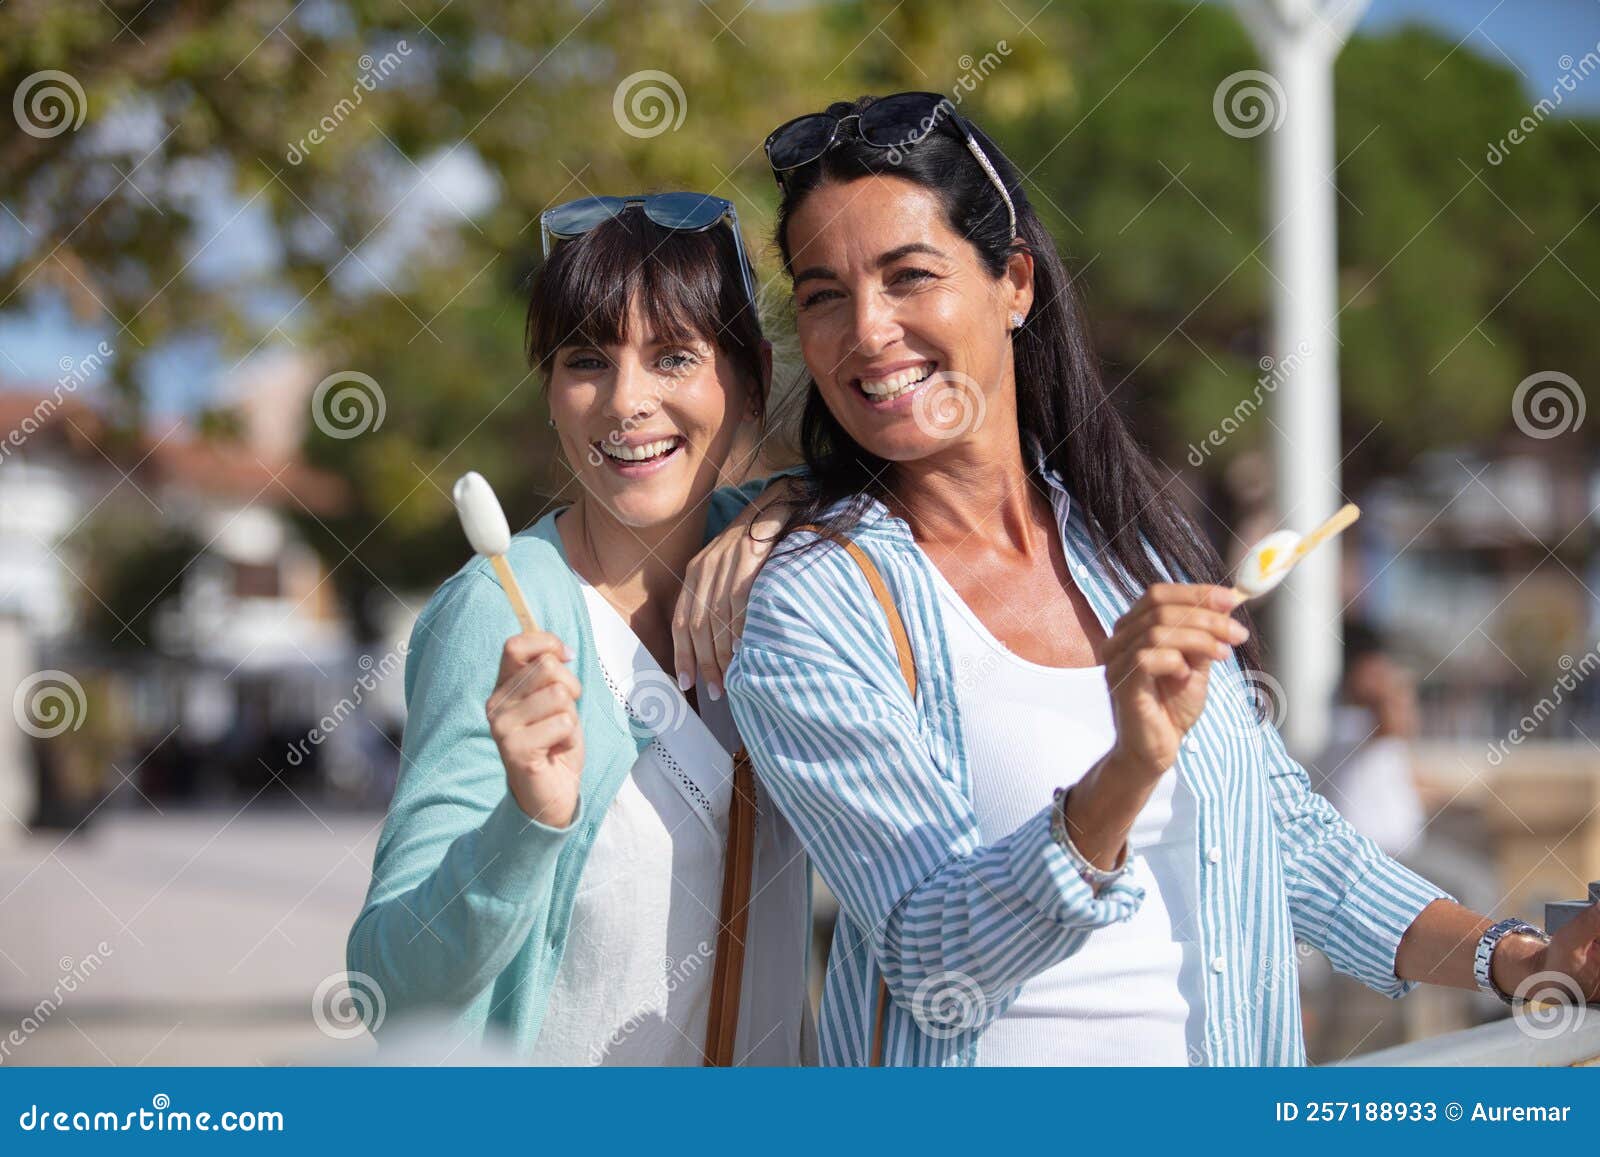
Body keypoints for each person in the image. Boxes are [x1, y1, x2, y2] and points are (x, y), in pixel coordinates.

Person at [724, 93, 1600, 1066]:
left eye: (908, 275)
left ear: (1012, 282)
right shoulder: (814, 606)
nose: (868, 330)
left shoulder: (1129, 545)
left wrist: (1518, 956)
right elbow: (937, 970)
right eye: (822, 294)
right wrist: (1123, 771)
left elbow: (1292, 843)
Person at [348, 192, 814, 1065]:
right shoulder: (501, 608)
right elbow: (386, 984)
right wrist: (524, 826)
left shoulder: (801, 564)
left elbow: (905, 467)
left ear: (749, 380)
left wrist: (780, 510)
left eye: (675, 355)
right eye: (587, 360)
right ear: (553, 394)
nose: (625, 402)